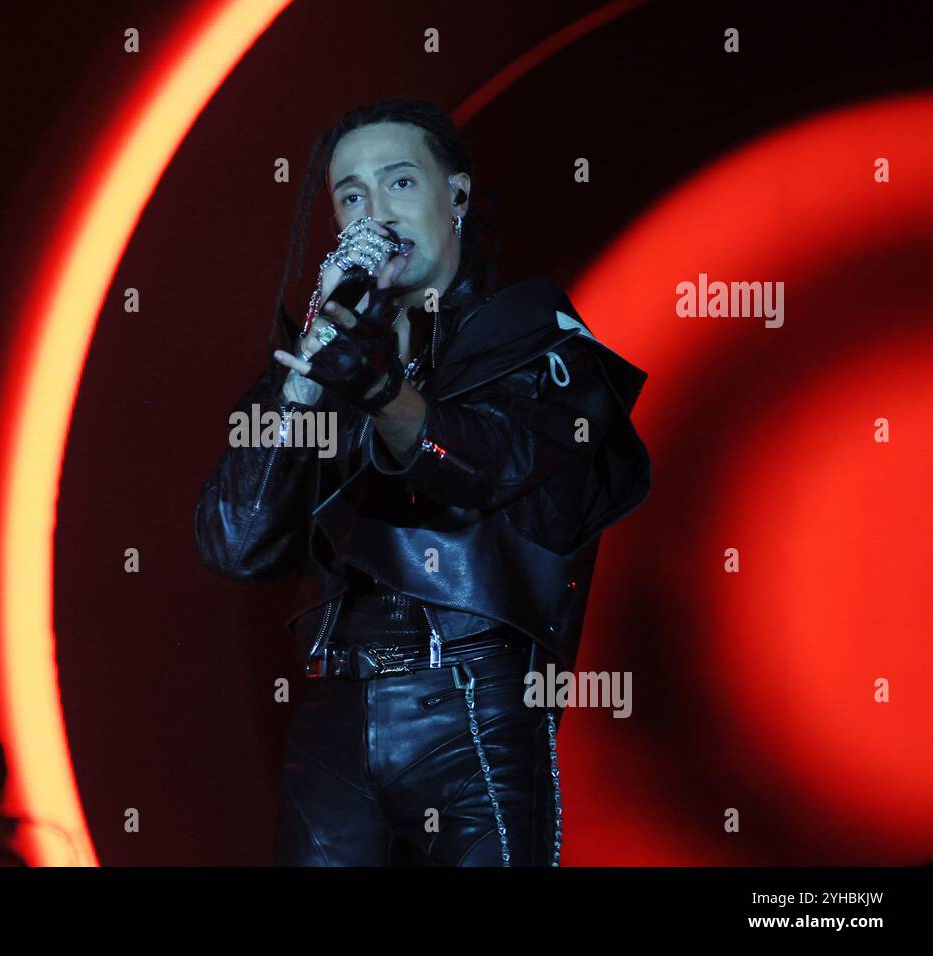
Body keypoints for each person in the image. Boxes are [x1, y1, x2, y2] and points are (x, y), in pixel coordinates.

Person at [194, 98, 652, 866]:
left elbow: (483, 464)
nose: (376, 213)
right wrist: (310, 378)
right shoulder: (324, 361)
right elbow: (235, 542)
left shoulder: (532, 337)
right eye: (352, 196)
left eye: (400, 182)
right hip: (331, 709)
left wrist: (380, 391)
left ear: (458, 197)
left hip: (470, 701)